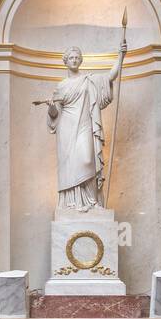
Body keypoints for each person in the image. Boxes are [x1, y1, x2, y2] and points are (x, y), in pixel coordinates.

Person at [42, 42, 126, 212]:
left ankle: (92, 201)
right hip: (66, 128)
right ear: (65, 61)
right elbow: (54, 115)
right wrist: (51, 106)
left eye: (76, 58)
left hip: (85, 125)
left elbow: (110, 76)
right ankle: (71, 204)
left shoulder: (89, 80)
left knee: (87, 159)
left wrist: (120, 56)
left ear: (80, 61)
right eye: (71, 58)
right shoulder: (61, 86)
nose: (74, 60)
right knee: (70, 165)